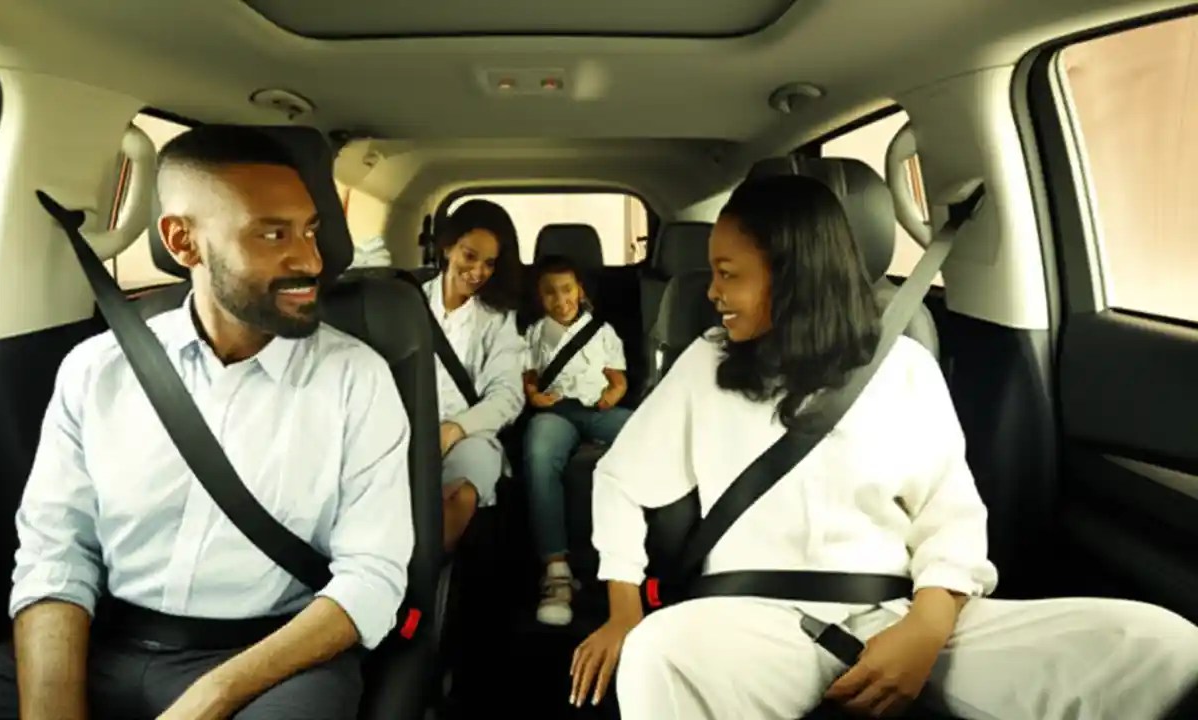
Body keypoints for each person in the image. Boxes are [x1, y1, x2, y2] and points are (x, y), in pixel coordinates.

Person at [568, 174, 1198, 719]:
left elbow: (949, 518)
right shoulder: (705, 364)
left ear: (792, 278)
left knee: (1159, 645)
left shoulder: (903, 367)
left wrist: (925, 630)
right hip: (750, 623)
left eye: (729, 276)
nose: (711, 292)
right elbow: (620, 479)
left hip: (901, 612)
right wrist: (624, 611)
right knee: (659, 652)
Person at [0, 125, 415, 719]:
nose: (310, 259)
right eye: (271, 233)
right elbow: (56, 552)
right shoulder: (98, 369)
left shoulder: (357, 380)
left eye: (310, 230)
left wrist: (213, 695)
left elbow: (372, 578)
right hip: (103, 643)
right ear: (183, 242)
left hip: (273, 661)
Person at [521, 254, 631, 626]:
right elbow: (530, 378)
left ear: (580, 290)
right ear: (539, 297)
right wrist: (534, 397)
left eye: (566, 289)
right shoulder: (535, 333)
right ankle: (556, 569)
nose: (560, 299)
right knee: (538, 453)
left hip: (597, 410)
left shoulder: (602, 332)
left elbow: (618, 380)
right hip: (555, 411)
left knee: (642, 435)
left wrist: (614, 396)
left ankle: (633, 556)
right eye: (550, 293)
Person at [422, 199, 526, 553]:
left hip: (469, 434)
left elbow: (508, 395)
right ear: (448, 246)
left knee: (462, 492)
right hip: (402, 431)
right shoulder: (406, 301)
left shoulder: (498, 319)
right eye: (470, 256)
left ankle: (422, 589)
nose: (478, 271)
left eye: (489, 263)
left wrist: (455, 428)